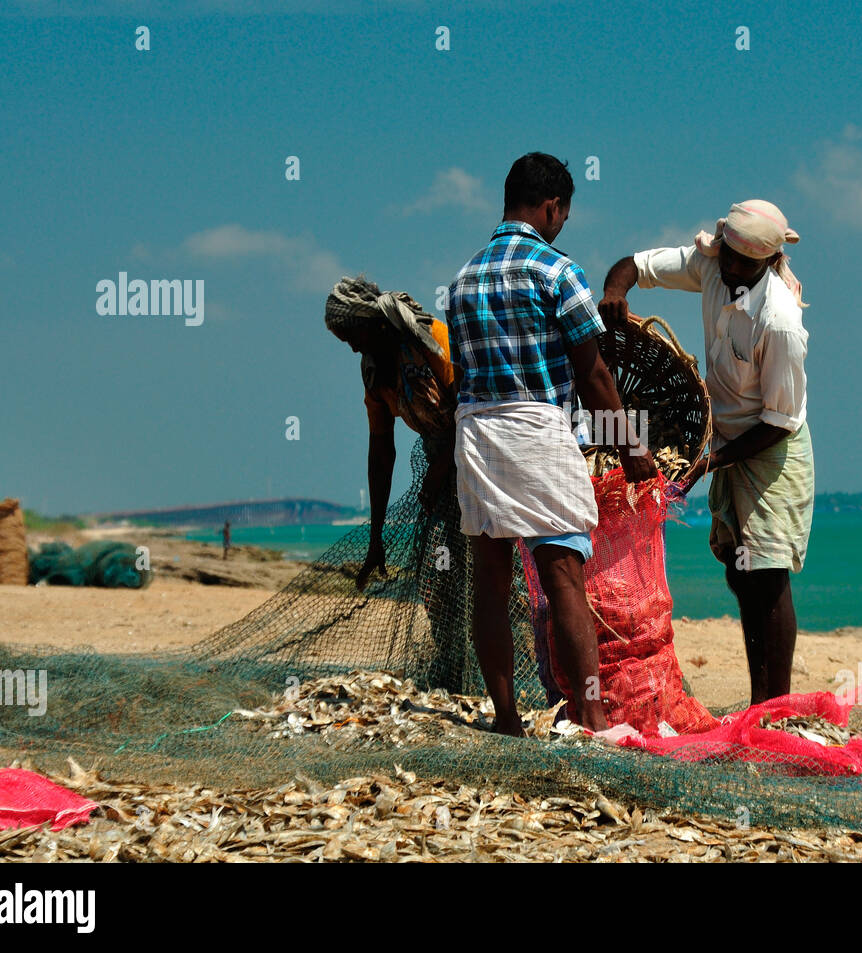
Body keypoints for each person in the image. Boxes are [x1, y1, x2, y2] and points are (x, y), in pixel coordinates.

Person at [448, 152, 657, 736]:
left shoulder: (462, 280)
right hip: (537, 429)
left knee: (491, 580)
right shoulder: (557, 272)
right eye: (563, 213)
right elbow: (593, 374)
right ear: (551, 206)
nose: (562, 223)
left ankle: (506, 718)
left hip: (477, 431)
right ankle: (592, 717)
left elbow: (463, 374)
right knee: (563, 574)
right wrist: (630, 448)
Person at [599, 199, 813, 704]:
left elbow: (781, 421)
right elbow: (634, 266)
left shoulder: (779, 321)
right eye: (727, 257)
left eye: (743, 262)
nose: (731, 268)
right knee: (740, 574)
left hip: (770, 453)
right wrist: (614, 293)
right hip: (724, 442)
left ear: (768, 261)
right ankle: (760, 699)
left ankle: (776, 706)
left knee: (768, 575)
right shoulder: (712, 264)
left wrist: (710, 462)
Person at [324, 279, 456, 590]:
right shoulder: (374, 371)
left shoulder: (431, 338)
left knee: (487, 570)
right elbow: (381, 453)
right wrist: (376, 537)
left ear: (376, 324)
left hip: (477, 462)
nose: (354, 348)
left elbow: (473, 411)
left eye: (353, 338)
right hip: (439, 477)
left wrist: (441, 468)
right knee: (437, 579)